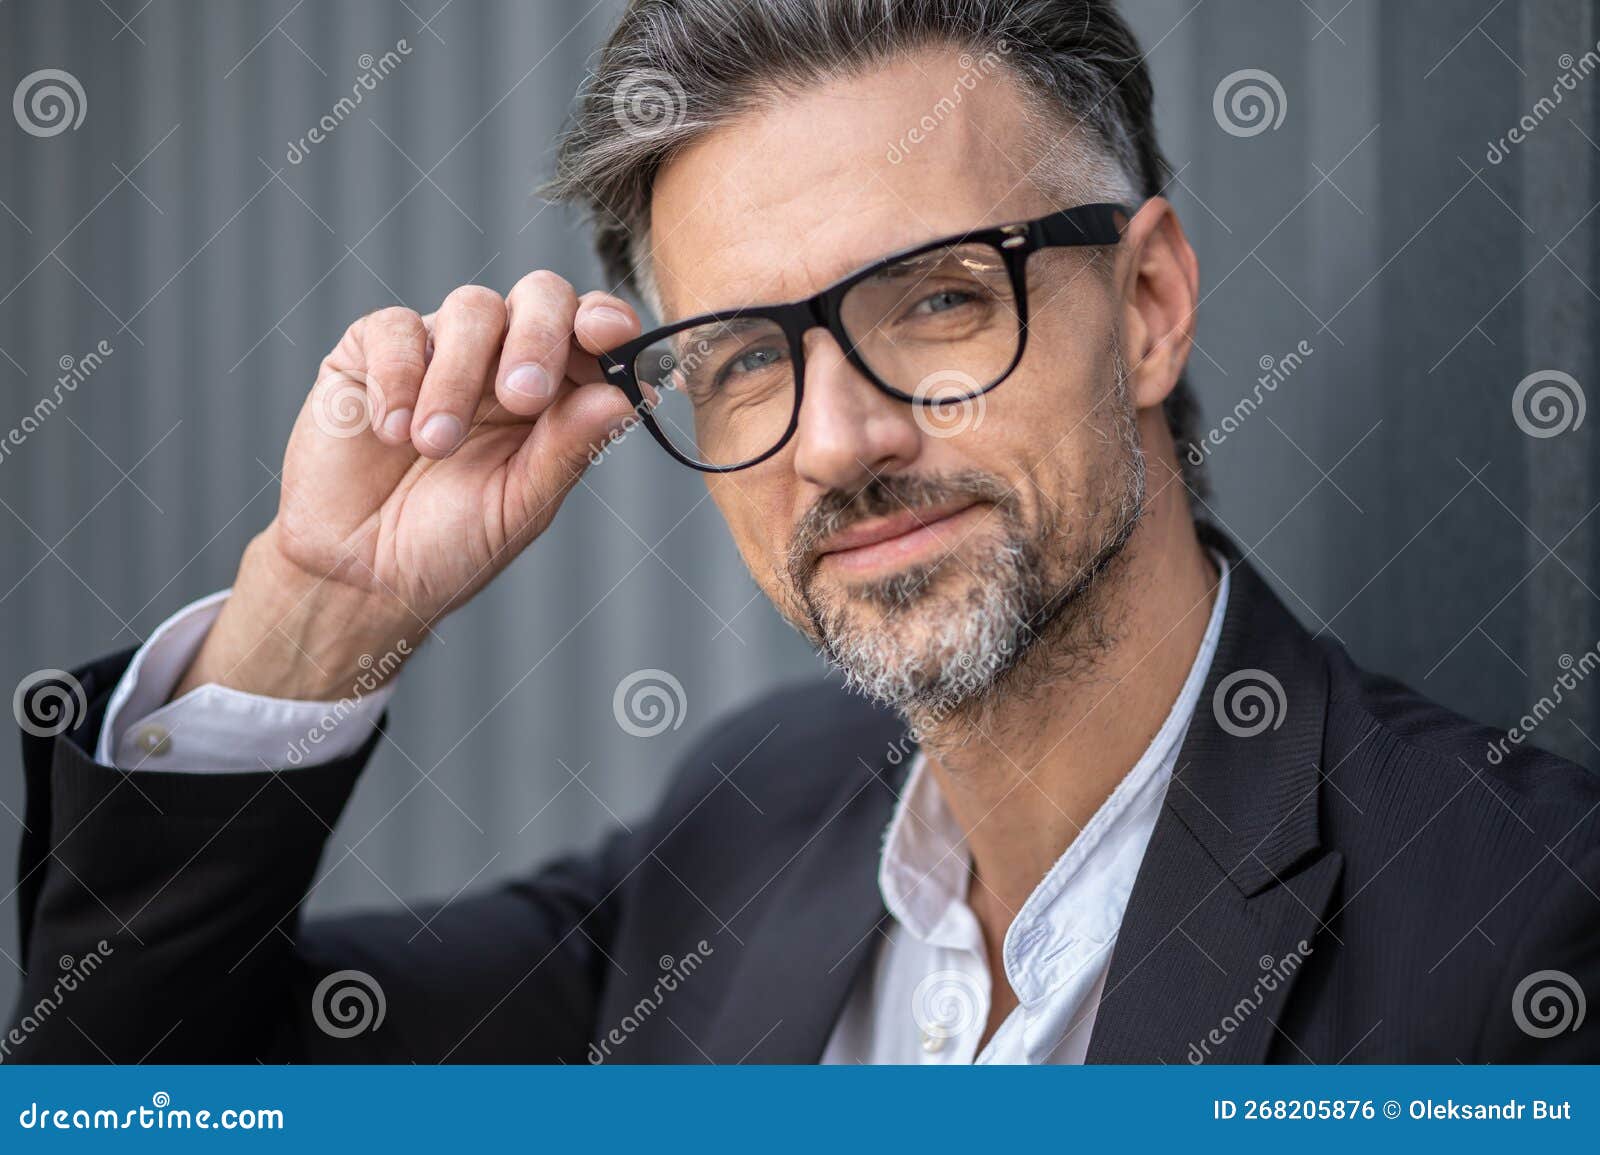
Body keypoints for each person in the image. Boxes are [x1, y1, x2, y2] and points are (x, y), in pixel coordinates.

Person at [9, 0, 1598, 1064]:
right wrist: (324, 607)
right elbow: (143, 1083)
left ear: (1151, 305)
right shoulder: (745, 825)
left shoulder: (1527, 927)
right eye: (749, 354)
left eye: (939, 301)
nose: (838, 441)